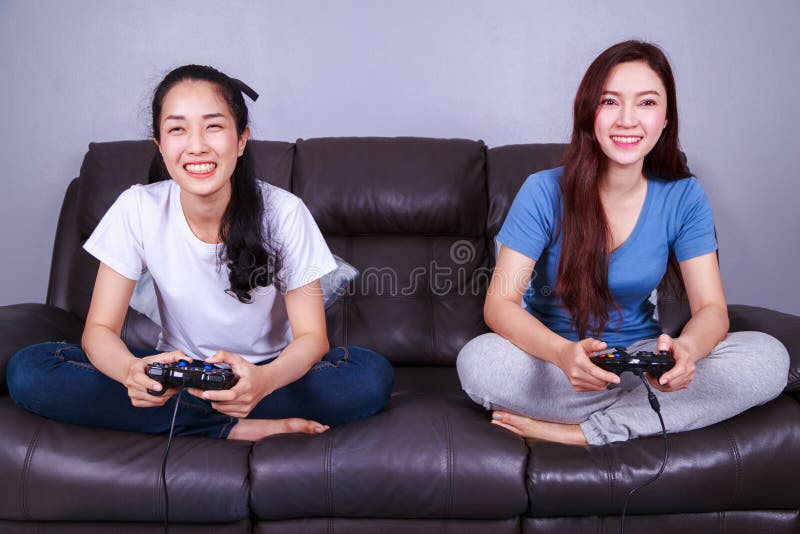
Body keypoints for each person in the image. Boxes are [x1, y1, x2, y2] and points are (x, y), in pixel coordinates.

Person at [7, 65, 394, 441]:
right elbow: (100, 330)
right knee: (30, 370)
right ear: (160, 145)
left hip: (268, 374)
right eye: (177, 129)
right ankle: (227, 426)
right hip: (179, 373)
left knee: (369, 375)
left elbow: (312, 338)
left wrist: (262, 382)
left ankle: (200, 419)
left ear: (241, 139)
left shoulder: (285, 212)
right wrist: (131, 372)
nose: (196, 145)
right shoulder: (137, 208)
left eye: (214, 126)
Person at [456, 41, 789, 445]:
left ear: (666, 118)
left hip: (641, 364)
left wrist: (687, 351)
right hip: (558, 367)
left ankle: (586, 432)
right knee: (478, 362)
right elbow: (500, 304)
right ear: (589, 113)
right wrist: (564, 356)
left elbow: (711, 310)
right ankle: (648, 417)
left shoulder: (684, 196)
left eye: (647, 103)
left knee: (770, 357)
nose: (627, 120)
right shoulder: (543, 191)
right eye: (610, 101)